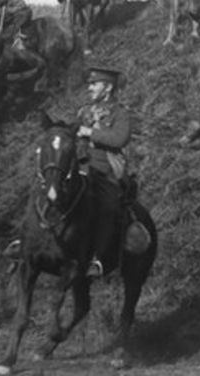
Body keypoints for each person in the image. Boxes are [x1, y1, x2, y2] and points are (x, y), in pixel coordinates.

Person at [75, 66, 132, 278]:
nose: (89, 88)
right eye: (90, 84)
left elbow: (119, 139)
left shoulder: (120, 113)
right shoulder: (83, 111)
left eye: (94, 84)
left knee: (108, 206)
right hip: (79, 166)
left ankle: (98, 259)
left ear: (107, 88)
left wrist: (91, 132)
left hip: (104, 170)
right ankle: (27, 241)